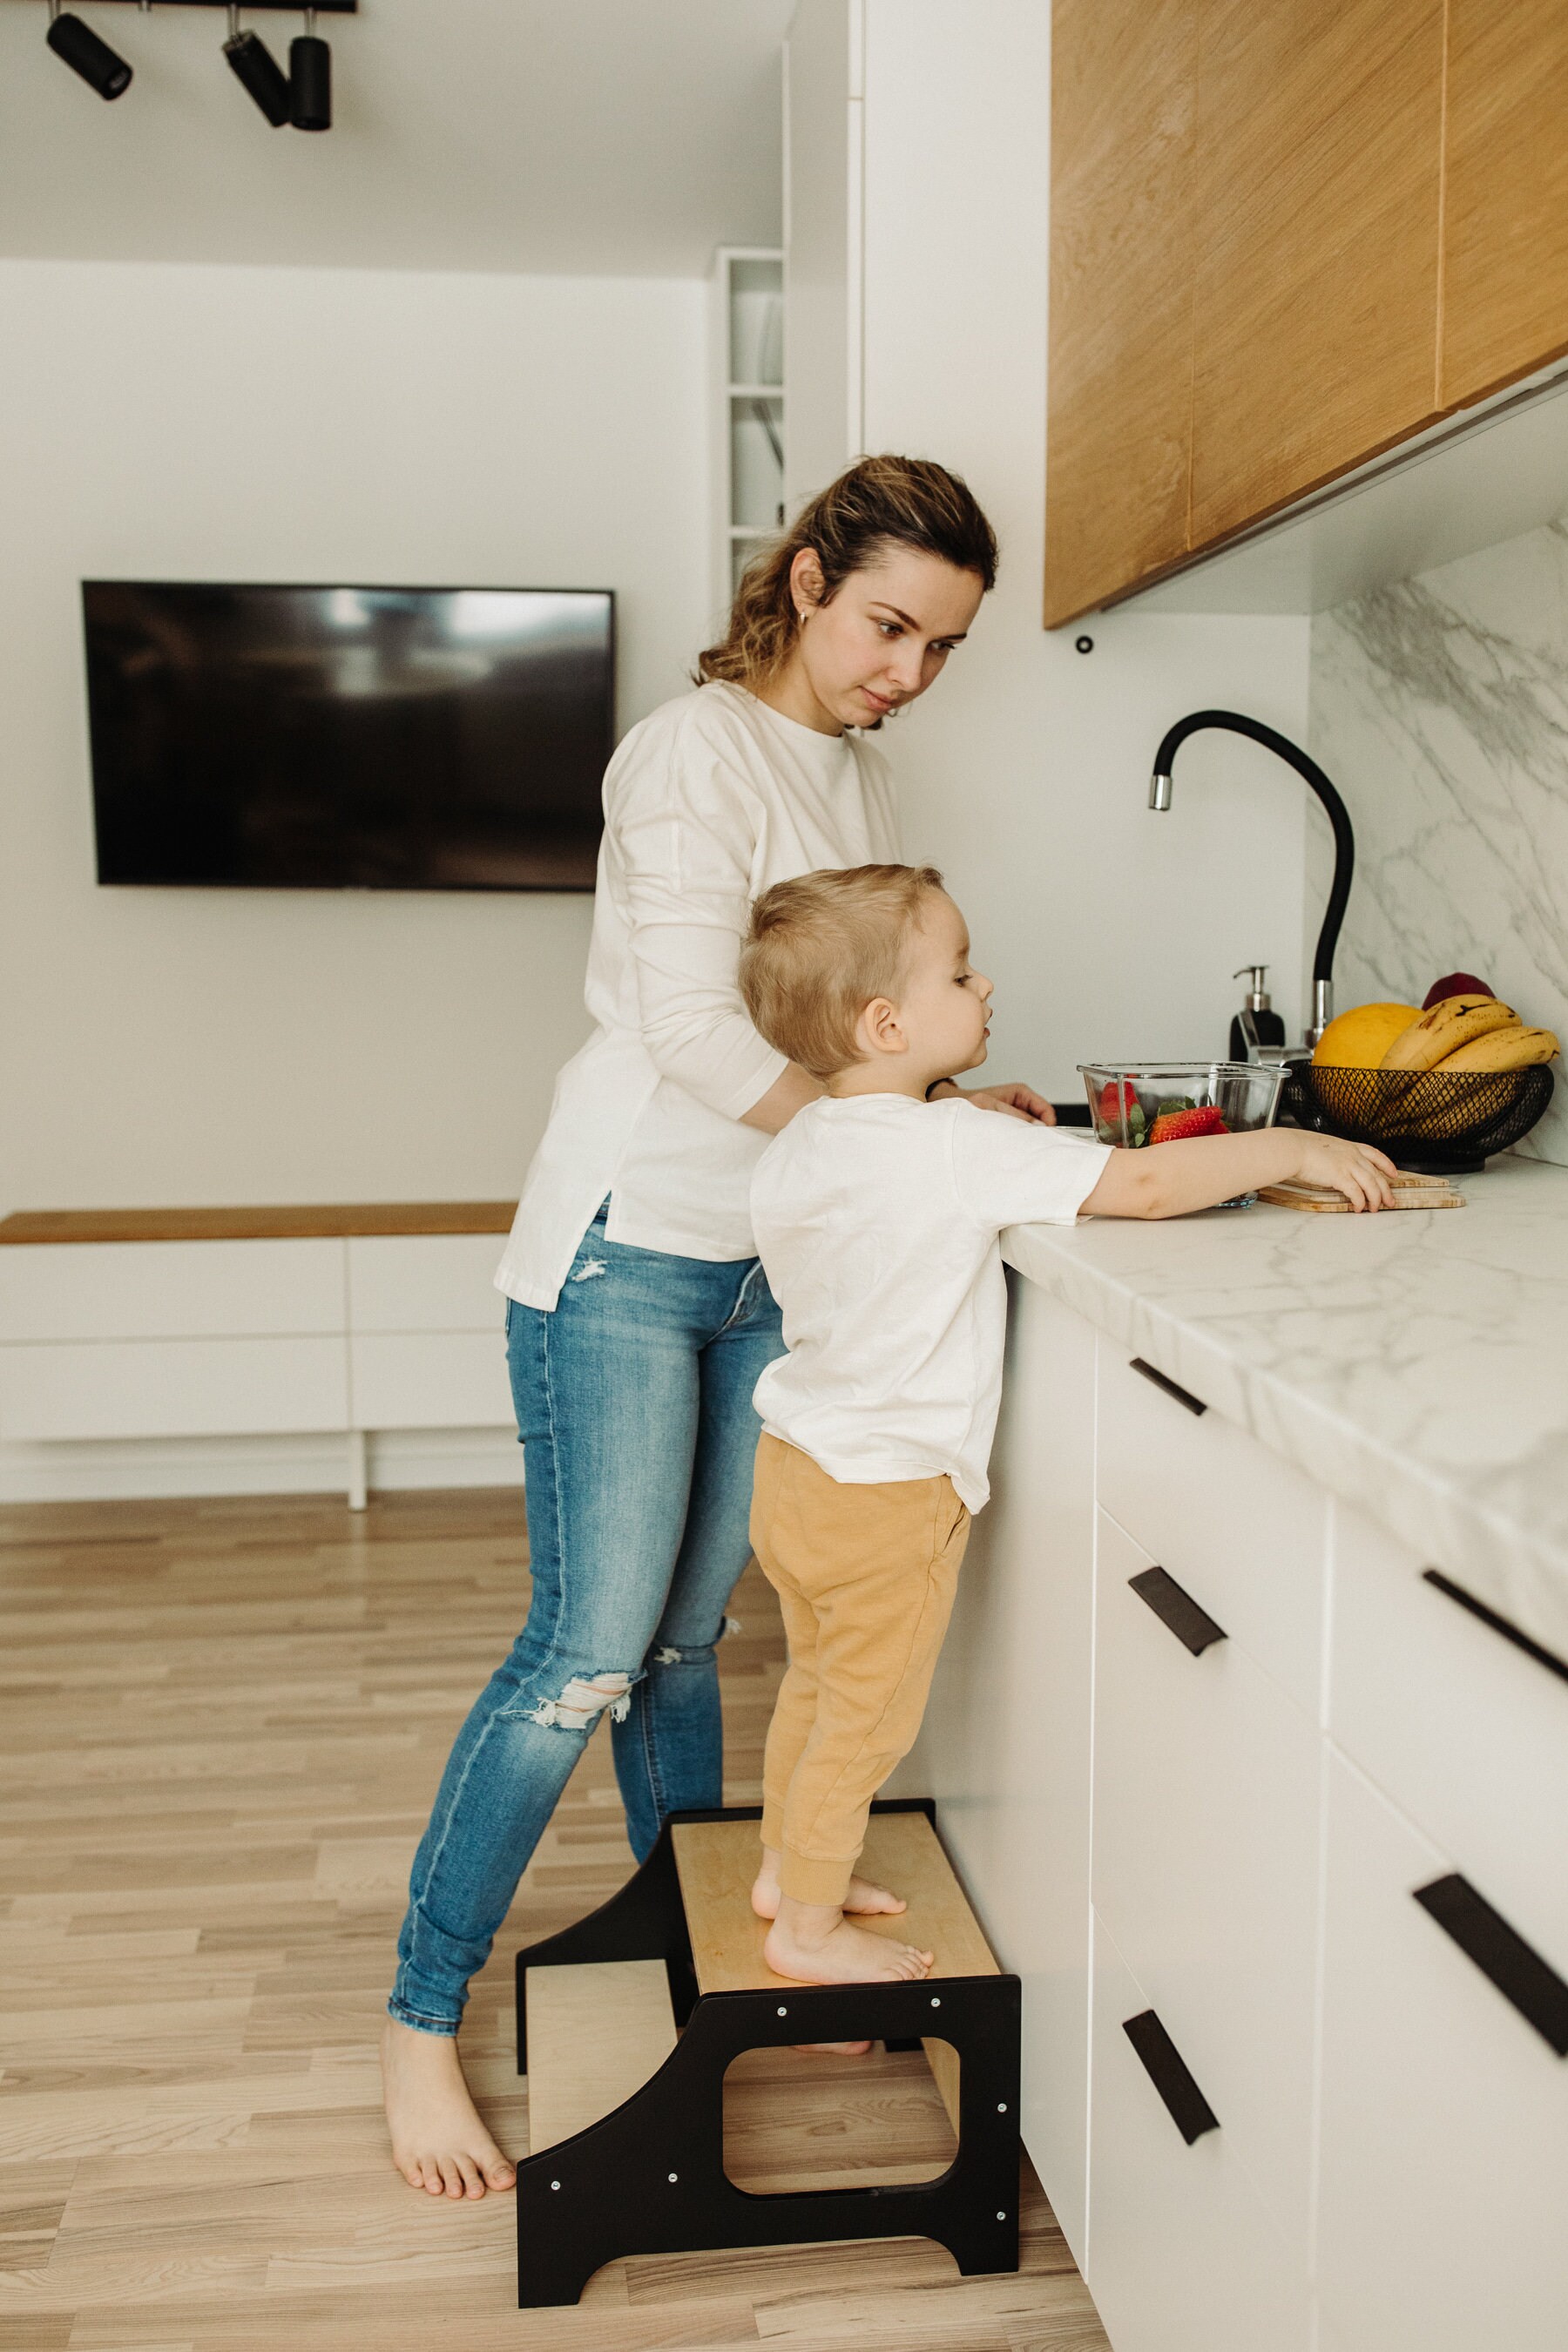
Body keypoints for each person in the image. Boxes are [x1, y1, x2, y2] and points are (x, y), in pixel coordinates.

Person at [380, 456, 1057, 2200]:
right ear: (811, 575)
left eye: (943, 646)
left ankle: (713, 1958)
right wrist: (899, 1132)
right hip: (625, 1251)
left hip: (765, 1261)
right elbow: (694, 1024)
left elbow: (858, 1022)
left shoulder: (859, 764)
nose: (906, 669)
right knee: (586, 1653)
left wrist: (959, 1098)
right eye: (888, 622)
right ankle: (416, 2023)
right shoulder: (691, 752)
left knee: (693, 1647)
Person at [737, 863, 1396, 1985]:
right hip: (888, 1493)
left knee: (815, 1687)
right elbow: (1136, 1187)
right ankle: (804, 1930)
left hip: (796, 1467)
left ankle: (783, 1868)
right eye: (958, 970)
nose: (983, 982)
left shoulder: (805, 1139)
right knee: (868, 1719)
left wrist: (950, 1106)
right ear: (887, 1021)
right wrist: (1293, 1148)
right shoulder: (949, 1146)